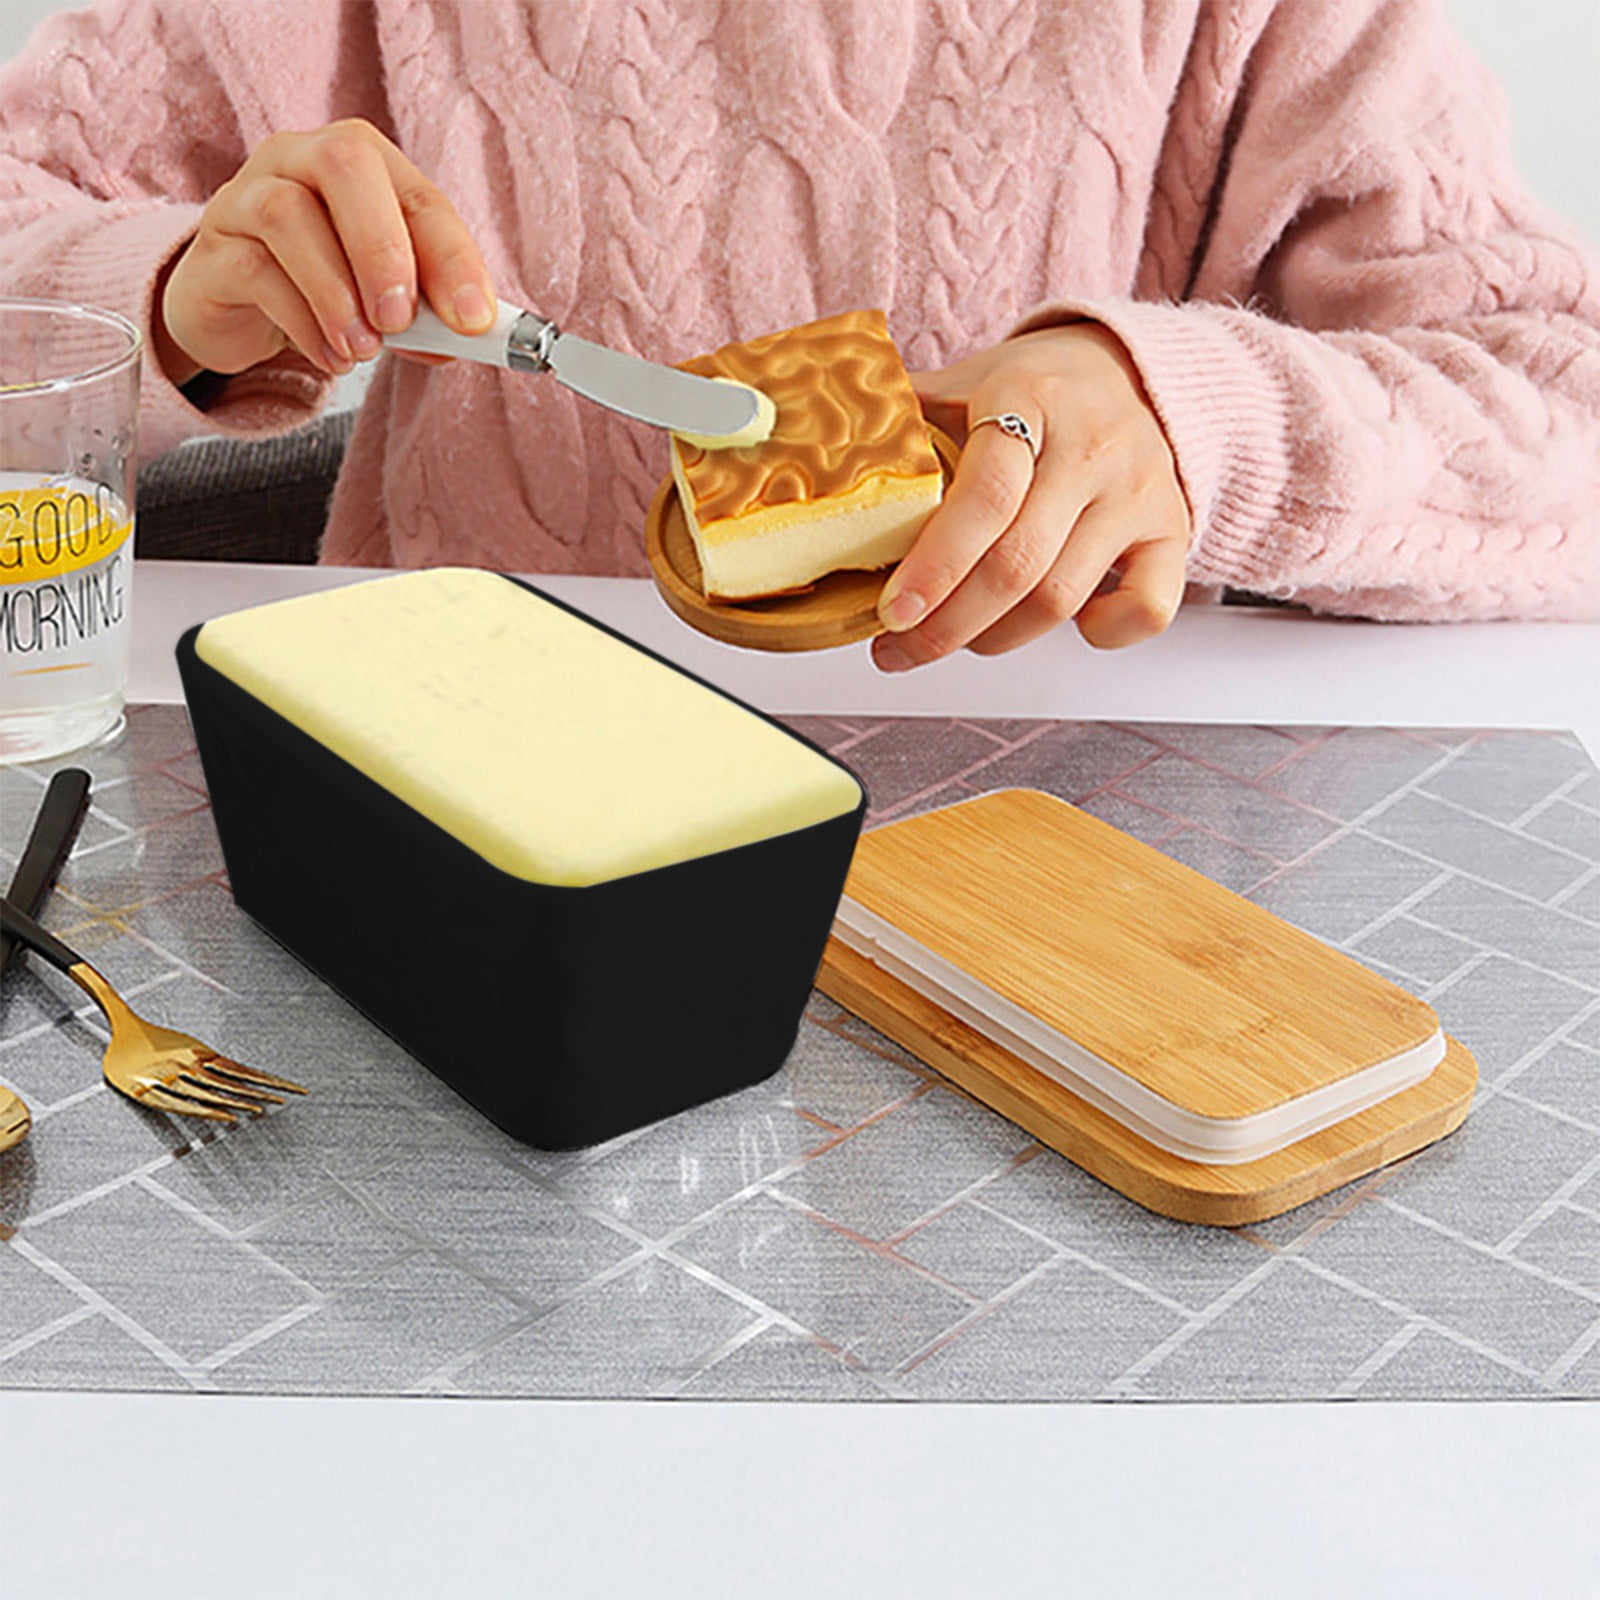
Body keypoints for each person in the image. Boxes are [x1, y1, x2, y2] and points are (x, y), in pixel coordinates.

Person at [2, 0, 1595, 677]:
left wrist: (1191, 419)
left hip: (1066, 849)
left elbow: (1560, 409)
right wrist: (169, 303)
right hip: (459, 796)